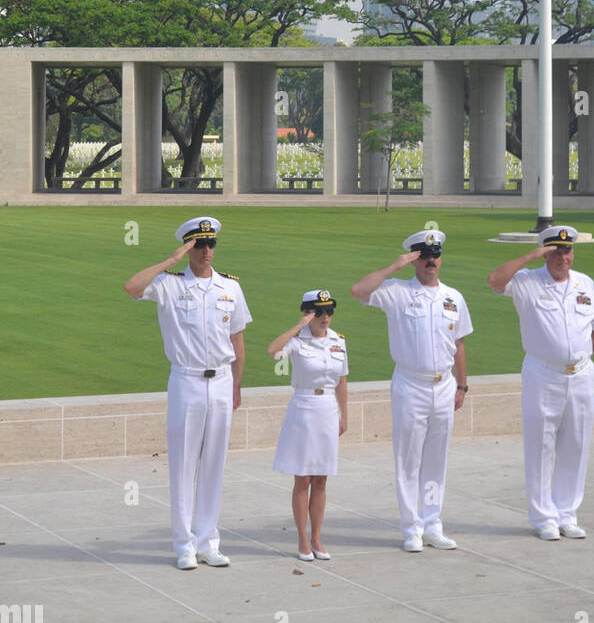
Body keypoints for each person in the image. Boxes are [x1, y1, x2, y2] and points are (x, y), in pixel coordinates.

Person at [123, 216, 251, 569]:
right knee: (182, 464)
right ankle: (184, 544)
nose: (207, 251)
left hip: (222, 381)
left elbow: (237, 338)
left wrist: (237, 385)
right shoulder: (170, 284)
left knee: (214, 464)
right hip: (187, 380)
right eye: (199, 244)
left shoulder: (230, 288)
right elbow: (132, 287)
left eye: (211, 244)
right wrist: (170, 260)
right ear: (188, 247)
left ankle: (209, 541)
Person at [350, 228, 472, 552]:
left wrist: (462, 384)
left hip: (444, 386)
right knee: (408, 460)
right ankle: (411, 528)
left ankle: (432, 523)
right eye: (424, 256)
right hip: (410, 385)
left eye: (436, 255)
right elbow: (358, 290)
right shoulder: (397, 292)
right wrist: (395, 265)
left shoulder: (453, 297)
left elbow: (458, 344)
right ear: (415, 259)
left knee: (436, 460)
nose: (431, 261)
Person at [488, 224, 594, 541]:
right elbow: (495, 281)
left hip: (582, 372)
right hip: (543, 372)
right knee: (541, 444)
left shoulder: (586, 283)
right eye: (555, 251)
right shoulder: (527, 282)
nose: (562, 257)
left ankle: (567, 513)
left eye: (567, 251)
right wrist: (530, 256)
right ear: (546, 253)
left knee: (576, 444)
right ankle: (544, 518)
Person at [268, 290, 348, 562]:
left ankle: (317, 537)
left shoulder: (339, 341)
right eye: (319, 311)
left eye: (329, 311)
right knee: (302, 478)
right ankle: (302, 537)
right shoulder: (297, 341)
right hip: (303, 409)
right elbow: (273, 352)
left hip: (327, 409)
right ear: (308, 313)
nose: (325, 317)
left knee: (322, 478)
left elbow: (342, 381)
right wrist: (299, 327)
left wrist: (343, 414)